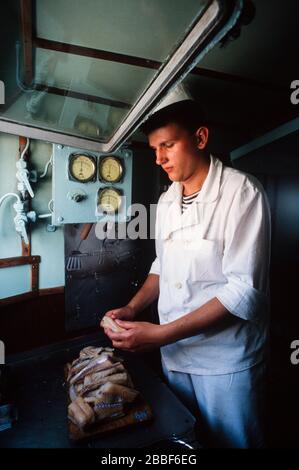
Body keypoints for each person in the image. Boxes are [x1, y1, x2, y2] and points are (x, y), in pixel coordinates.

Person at [101, 85, 271, 448]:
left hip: (224, 363)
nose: (159, 159)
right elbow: (163, 265)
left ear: (200, 137)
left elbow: (242, 291)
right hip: (176, 358)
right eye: (154, 150)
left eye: (168, 145)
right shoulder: (166, 202)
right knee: (187, 444)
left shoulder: (242, 193)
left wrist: (160, 334)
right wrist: (133, 308)